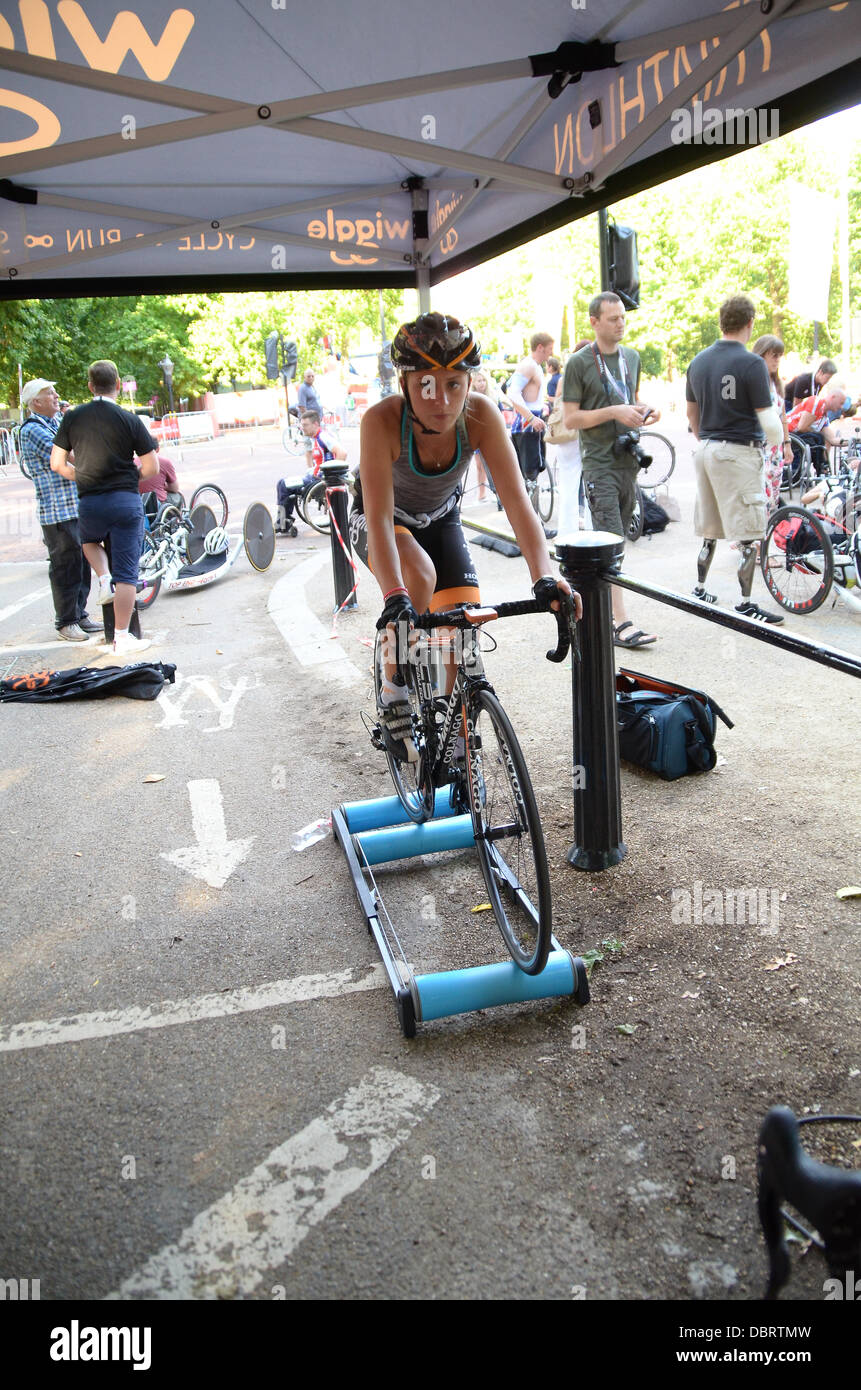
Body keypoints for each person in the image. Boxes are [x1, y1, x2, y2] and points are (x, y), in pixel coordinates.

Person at [348, 312, 579, 760]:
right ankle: (393, 684)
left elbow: (518, 504)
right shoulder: (380, 421)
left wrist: (544, 577)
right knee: (417, 576)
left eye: (454, 383)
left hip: (439, 517)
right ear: (405, 384)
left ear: (471, 383)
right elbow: (376, 517)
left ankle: (457, 743)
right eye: (426, 385)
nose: (442, 399)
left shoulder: (482, 416)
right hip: (382, 518)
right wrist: (394, 597)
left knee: (463, 625)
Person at [561, 294, 659, 648]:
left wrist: (642, 410)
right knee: (612, 542)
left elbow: (628, 400)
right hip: (599, 464)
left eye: (622, 318)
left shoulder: (632, 357)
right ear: (594, 322)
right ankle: (620, 621)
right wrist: (615, 412)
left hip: (627, 463)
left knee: (616, 544)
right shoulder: (579, 363)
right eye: (613, 319)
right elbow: (571, 418)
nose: (620, 324)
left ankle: (593, 608)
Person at [685, 294, 784, 623]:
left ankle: (699, 589)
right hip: (739, 450)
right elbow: (767, 418)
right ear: (750, 322)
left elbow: (691, 413)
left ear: (721, 321)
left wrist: (705, 440)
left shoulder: (697, 361)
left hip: (707, 449)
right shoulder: (751, 363)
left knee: (710, 528)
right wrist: (780, 443)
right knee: (748, 533)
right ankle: (745, 603)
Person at [50, 359, 160, 656]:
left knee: (88, 541)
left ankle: (102, 577)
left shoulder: (72, 417)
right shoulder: (129, 419)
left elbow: (57, 463)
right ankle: (122, 638)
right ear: (119, 385)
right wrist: (127, 477)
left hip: (91, 500)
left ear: (90, 385)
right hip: (124, 500)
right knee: (127, 573)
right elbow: (151, 467)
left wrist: (82, 476)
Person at [18, 378, 102, 643]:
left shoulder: (54, 423)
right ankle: (66, 621)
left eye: (54, 391)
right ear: (36, 402)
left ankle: (79, 614)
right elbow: (71, 454)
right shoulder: (32, 430)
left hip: (74, 506)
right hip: (57, 512)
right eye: (49, 393)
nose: (56, 395)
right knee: (65, 566)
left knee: (81, 564)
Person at [275, 409, 347, 532]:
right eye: (301, 425)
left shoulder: (323, 436)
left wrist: (332, 477)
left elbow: (342, 453)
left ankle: (283, 522)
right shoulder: (316, 438)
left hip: (318, 481)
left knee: (283, 484)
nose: (303, 428)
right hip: (314, 477)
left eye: (305, 425)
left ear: (315, 424)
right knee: (283, 484)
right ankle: (283, 520)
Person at [751, 335, 793, 515]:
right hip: (759, 447)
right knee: (760, 495)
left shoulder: (777, 383)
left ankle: (764, 538)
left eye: (779, 356)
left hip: (775, 449)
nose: (777, 360)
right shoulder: (753, 381)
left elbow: (783, 416)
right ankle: (752, 541)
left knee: (773, 497)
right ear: (762, 355)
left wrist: (787, 444)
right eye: (773, 355)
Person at [508, 332, 554, 483]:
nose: (552, 353)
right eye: (550, 348)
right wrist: (531, 417)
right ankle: (527, 506)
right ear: (540, 347)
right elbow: (512, 393)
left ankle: (530, 504)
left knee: (534, 470)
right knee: (529, 474)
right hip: (526, 425)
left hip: (531, 422)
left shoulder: (535, 367)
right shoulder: (528, 365)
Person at [786, 379, 850, 476]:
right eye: (841, 403)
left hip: (797, 437)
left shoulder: (824, 417)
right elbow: (801, 427)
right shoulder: (816, 402)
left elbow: (833, 440)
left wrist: (852, 441)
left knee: (819, 439)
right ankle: (822, 471)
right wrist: (816, 432)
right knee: (818, 438)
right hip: (788, 434)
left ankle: (822, 469)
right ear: (833, 397)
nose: (841, 407)